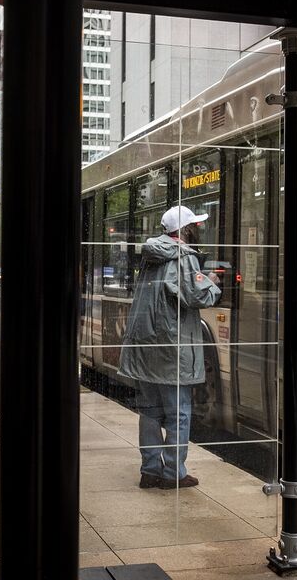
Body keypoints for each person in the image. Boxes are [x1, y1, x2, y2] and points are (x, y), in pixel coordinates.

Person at [119, 205, 221, 490]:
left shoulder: (152, 255)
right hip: (171, 349)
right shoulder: (184, 256)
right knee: (179, 413)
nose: (198, 230)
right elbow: (195, 295)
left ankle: (149, 470)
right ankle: (173, 473)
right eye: (195, 226)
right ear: (185, 229)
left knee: (150, 410)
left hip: (146, 348)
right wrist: (211, 282)